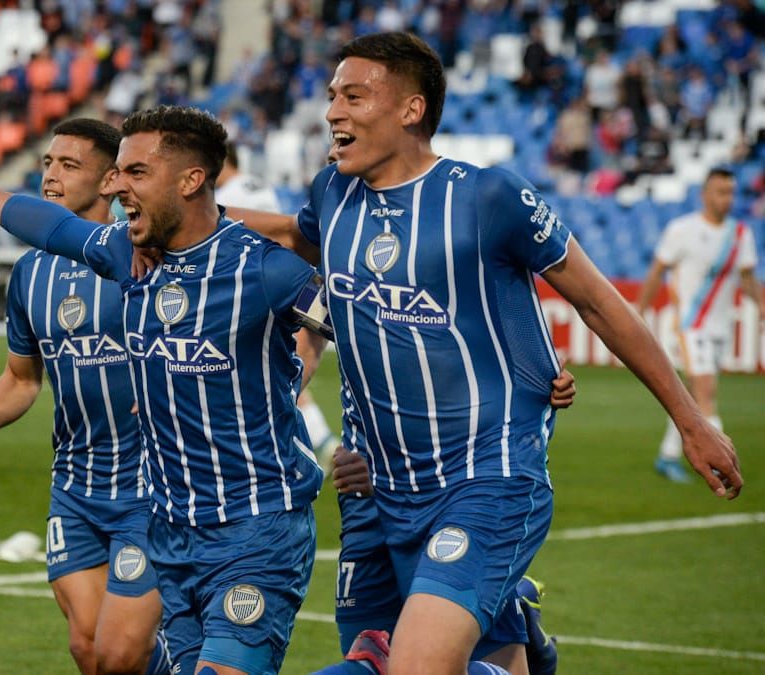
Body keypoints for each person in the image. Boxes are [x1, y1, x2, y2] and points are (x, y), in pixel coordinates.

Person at [223, 32, 741, 675]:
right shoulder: (333, 191)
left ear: (410, 110)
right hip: (372, 488)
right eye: (332, 96)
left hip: (484, 479)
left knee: (410, 667)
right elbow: (293, 240)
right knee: (393, 662)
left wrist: (692, 422)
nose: (333, 111)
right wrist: (187, 218)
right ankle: (517, 639)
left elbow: (600, 301)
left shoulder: (488, 196)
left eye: (354, 96)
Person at [0, 105, 326, 675]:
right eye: (117, 171)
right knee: (115, 658)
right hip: (170, 526)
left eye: (134, 172)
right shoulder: (123, 255)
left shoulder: (262, 269)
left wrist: (305, 383)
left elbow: (355, 331)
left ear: (189, 181)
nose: (117, 185)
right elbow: (49, 226)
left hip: (256, 527)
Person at [0, 119, 168, 675]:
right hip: (75, 485)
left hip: (150, 485)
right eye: (47, 163)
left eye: (70, 166)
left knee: (122, 653)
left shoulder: (144, 257)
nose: (51, 175)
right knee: (87, 649)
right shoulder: (28, 273)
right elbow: (22, 378)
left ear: (112, 179)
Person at [214, 140, 338, 466]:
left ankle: (306, 447)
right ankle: (319, 445)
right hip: (287, 278)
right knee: (286, 369)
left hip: (254, 288)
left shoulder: (227, 197)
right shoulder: (256, 184)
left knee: (263, 374)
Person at [636, 168, 760, 483]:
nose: (727, 199)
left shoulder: (740, 235)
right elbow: (657, 271)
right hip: (691, 326)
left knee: (691, 397)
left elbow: (747, 280)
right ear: (704, 195)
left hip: (720, 329)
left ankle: (667, 456)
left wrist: (761, 306)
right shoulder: (682, 230)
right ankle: (723, 464)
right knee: (706, 393)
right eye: (720, 192)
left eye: (731, 192)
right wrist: (639, 311)